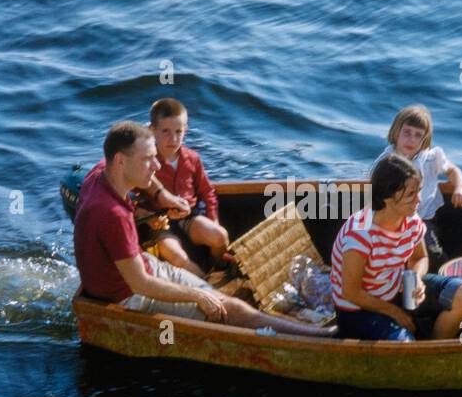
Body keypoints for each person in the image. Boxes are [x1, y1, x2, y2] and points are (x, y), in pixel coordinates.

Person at [74, 121, 334, 337]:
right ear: (120, 161)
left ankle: (240, 312)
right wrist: (195, 296)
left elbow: (145, 173)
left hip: (146, 267)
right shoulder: (112, 214)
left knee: (217, 299)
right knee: (230, 311)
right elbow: (140, 284)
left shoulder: (101, 172)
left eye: (155, 157)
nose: (156, 166)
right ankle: (322, 337)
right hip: (130, 297)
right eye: (147, 160)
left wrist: (163, 195)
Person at [330, 154, 462, 341]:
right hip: (358, 310)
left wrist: (416, 278)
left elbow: (420, 258)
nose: (419, 200)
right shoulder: (360, 235)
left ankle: (435, 352)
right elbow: (350, 292)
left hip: (396, 291)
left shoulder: (411, 220)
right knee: (405, 345)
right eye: (411, 194)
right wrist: (394, 312)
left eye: (419, 191)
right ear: (387, 198)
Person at [141, 98, 231, 277]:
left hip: (189, 217)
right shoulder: (146, 162)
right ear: (152, 130)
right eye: (165, 131)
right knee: (177, 257)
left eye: (178, 131)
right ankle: (206, 286)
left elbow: (208, 192)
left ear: (185, 130)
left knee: (220, 236)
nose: (173, 139)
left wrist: (213, 219)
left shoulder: (193, 158)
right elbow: (134, 198)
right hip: (161, 224)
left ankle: (215, 269)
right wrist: (147, 216)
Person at [370, 104, 462, 270]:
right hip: (394, 219)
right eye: (407, 132)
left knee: (433, 253)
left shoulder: (431, 158)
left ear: (424, 139)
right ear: (396, 132)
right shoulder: (386, 162)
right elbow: (374, 194)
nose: (411, 139)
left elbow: (452, 170)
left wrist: (460, 187)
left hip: (424, 218)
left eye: (418, 135)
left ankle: (441, 276)